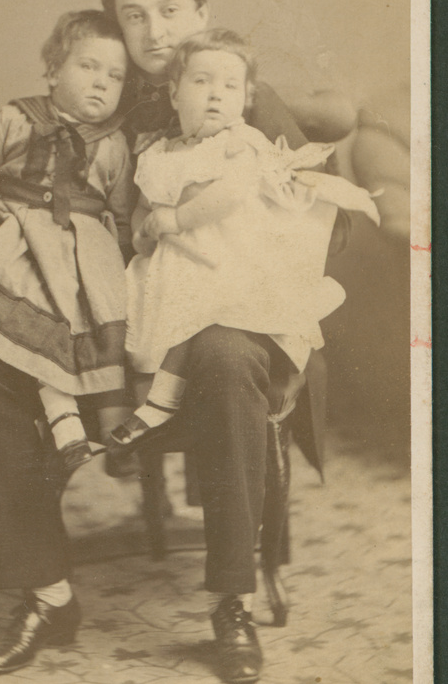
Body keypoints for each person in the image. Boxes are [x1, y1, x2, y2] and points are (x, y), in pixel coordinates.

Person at [0, 0, 357, 684]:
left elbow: (327, 211)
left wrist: (257, 234)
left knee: (228, 355)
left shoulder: (238, 93)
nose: (154, 32)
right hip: (111, 301)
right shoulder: (98, 84)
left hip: (226, 301)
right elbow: (14, 176)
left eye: (170, 10)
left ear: (201, 12)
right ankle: (46, 592)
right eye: (133, 16)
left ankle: (230, 598)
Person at [108, 29, 379, 458]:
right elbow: (144, 205)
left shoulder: (240, 144)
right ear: (175, 93)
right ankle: (151, 409)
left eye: (230, 86)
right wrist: (144, 230)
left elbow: (229, 194)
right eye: (201, 82)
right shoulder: (158, 153)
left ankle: (161, 405)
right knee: (141, 323)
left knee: (199, 314)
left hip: (226, 256)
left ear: (246, 100)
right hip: (169, 262)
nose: (216, 95)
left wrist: (175, 218)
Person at [0, 11, 133, 475]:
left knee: (104, 311)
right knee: (29, 309)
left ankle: (117, 435)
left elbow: (122, 218)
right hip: (18, 240)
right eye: (88, 67)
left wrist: (119, 268)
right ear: (52, 71)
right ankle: (62, 414)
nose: (101, 83)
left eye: (115, 76)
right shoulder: (15, 119)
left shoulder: (114, 145)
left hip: (83, 253)